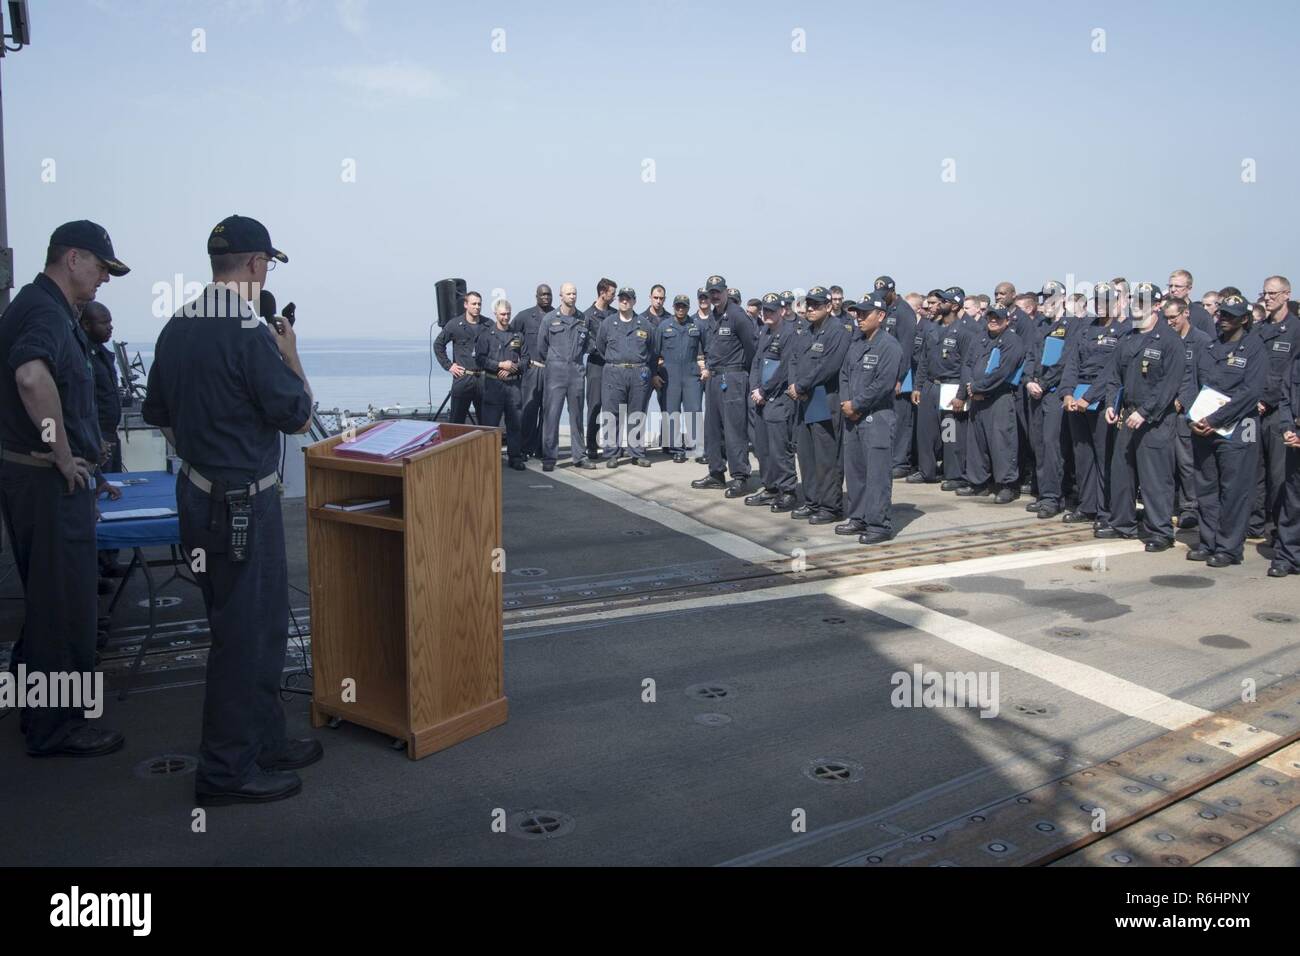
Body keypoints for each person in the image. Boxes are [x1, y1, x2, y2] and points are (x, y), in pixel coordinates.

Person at [142, 214, 318, 804]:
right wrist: (289, 352)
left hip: (198, 497)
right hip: (244, 504)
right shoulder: (249, 333)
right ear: (255, 265)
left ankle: (263, 741)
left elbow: (158, 413)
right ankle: (225, 771)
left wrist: (202, 459)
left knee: (250, 628)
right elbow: (296, 412)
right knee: (247, 636)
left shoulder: (177, 327)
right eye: (266, 262)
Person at [0, 220, 127, 757]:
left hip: (43, 478)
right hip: (44, 479)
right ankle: (56, 728)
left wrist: (86, 470)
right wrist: (59, 453)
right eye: (101, 267)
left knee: (52, 600)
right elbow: (31, 377)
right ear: (72, 259)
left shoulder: (45, 308)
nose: (104, 279)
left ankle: (32, 703)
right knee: (64, 606)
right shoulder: (43, 310)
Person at [1095, 283, 1185, 551]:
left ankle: (1160, 531)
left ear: (1157, 305)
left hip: (1154, 420)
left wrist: (1144, 412)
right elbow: (1113, 377)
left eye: (1144, 301)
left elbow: (1168, 385)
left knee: (1154, 477)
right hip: (1127, 414)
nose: (1138, 305)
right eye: (1135, 300)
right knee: (1122, 472)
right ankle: (1122, 523)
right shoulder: (1127, 338)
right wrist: (1112, 404)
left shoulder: (1169, 341)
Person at [1187, 294, 1266, 567]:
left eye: (1230, 316)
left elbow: (1251, 392)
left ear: (1244, 319)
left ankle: (1229, 547)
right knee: (1207, 488)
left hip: (1239, 427)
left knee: (1235, 490)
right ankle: (1208, 542)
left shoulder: (1255, 348)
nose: (1222, 320)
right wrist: (1195, 418)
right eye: (1221, 314)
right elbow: (1196, 385)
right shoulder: (1209, 347)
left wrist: (1215, 419)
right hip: (1204, 428)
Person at [1059, 282, 1129, 527]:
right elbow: (1071, 364)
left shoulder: (1124, 330)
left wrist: (1088, 397)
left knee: (1104, 456)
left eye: (1106, 301)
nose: (1101, 306)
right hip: (1077, 398)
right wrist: (1067, 393)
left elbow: (1113, 371)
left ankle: (1105, 510)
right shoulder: (1085, 330)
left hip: (1101, 400)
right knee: (1083, 454)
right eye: (1097, 301)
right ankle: (1087, 505)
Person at [840, 292, 904, 543]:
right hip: (852, 416)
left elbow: (883, 384)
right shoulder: (856, 343)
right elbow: (844, 374)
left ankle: (879, 524)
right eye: (858, 313)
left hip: (876, 417)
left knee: (877, 474)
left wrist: (856, 404)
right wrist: (846, 402)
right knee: (855, 471)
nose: (859, 318)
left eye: (865, 314)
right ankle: (858, 517)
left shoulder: (889, 346)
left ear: (881, 316)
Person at [787, 286, 849, 522]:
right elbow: (793, 359)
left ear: (828, 306)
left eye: (816, 305)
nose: (810, 309)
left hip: (825, 398)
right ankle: (812, 501)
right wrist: (794, 385)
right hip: (803, 400)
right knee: (806, 454)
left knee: (826, 456)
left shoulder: (837, 332)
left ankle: (830, 506)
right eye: (808, 304)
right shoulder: (806, 331)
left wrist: (801, 386)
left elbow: (829, 366)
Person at [691, 275, 756, 496]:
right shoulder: (712, 317)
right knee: (712, 429)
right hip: (714, 378)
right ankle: (716, 472)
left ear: (726, 291)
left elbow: (752, 350)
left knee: (734, 430)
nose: (715, 295)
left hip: (734, 378)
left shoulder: (738, 316)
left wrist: (739, 373)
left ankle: (739, 476)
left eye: (718, 291)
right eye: (711, 293)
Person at [957, 306, 1025, 502]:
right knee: (977, 443)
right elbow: (967, 364)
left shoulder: (1013, 341)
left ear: (1007, 320)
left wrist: (978, 388)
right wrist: (970, 387)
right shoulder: (980, 337)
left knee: (1002, 442)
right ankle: (979, 483)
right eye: (990, 317)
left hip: (999, 397)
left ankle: (1007, 485)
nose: (993, 320)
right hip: (976, 398)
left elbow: (1003, 371)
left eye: (998, 318)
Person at [1249, 276, 1299, 545]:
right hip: (1253, 411)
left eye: (1273, 293)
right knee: (1255, 470)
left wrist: (1266, 399)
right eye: (1265, 293)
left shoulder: (1295, 330)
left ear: (1286, 295)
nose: (1267, 298)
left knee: (1279, 474)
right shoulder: (1258, 330)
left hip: (1279, 411)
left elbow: (1289, 376)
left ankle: (1281, 529)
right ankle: (1255, 523)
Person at [911, 287, 972, 487]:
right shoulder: (932, 328)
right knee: (926, 433)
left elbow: (966, 367)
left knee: (950, 434)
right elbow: (924, 360)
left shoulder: (963, 332)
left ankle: (953, 475)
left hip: (951, 386)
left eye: (944, 301)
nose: (937, 304)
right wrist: (918, 386)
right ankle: (926, 471)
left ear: (954, 306)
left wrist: (961, 394)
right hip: (930, 385)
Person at [1021, 282, 1073, 517]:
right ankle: (1045, 493)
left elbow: (1064, 362)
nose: (1047, 304)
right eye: (1044, 299)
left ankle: (1054, 497)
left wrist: (1043, 384)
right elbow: (1031, 355)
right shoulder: (1040, 325)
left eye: (1052, 299)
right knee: (1038, 445)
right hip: (1035, 392)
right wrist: (1029, 380)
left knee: (1052, 446)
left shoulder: (1070, 325)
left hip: (1053, 393)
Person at [1163, 296, 1213, 531]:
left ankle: (1189, 507)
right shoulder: (1165, 340)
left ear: (1185, 314)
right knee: (1167, 461)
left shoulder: (1202, 341)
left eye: (1173, 317)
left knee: (1186, 463)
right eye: (1166, 318)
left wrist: (1184, 401)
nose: (1170, 322)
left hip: (1188, 412)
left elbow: (1203, 380)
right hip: (1165, 409)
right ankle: (1169, 506)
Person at [595, 288, 657, 467]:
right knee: (612, 413)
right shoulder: (608, 323)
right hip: (614, 371)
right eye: (622, 299)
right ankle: (611, 453)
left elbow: (652, 350)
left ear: (634, 301)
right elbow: (600, 346)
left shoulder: (644, 324)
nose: (624, 302)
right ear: (617, 301)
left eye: (628, 299)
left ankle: (636, 453)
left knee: (636, 413)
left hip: (638, 373)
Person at [746, 293, 797, 510]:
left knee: (779, 448)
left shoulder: (789, 333)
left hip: (778, 399)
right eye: (764, 310)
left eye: (771, 310)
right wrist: (755, 388)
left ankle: (788, 490)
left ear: (782, 311)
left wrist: (764, 391)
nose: (767, 314)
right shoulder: (764, 331)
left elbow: (785, 369)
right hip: (761, 398)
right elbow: (756, 363)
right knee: (762, 447)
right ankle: (770, 487)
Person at [538, 283, 596, 472]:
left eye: (575, 293)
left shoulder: (583, 319)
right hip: (555, 371)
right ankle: (549, 457)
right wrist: (555, 360)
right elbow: (541, 347)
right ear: (561, 296)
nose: (572, 296)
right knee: (551, 415)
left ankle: (579, 456)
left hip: (576, 371)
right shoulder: (549, 319)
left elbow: (588, 344)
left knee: (577, 416)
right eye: (569, 293)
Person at [874, 276, 919, 479]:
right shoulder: (885, 310)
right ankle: (890, 457)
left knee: (901, 419)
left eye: (885, 295)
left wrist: (900, 377)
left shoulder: (904, 311)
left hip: (902, 373)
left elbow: (906, 348)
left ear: (893, 291)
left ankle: (900, 461)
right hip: (885, 372)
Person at [654, 295, 705, 463]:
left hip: (691, 373)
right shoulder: (664, 326)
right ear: (674, 306)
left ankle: (696, 448)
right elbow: (654, 353)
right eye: (678, 306)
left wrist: (706, 368)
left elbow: (707, 349)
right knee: (671, 411)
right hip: (670, 374)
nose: (680, 309)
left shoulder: (696, 326)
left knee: (694, 410)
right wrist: (655, 374)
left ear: (688, 307)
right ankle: (676, 449)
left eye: (683, 306)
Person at [481, 298, 526, 470]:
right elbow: (480, 359)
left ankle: (515, 457)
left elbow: (527, 359)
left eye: (508, 314)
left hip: (513, 386)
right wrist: (500, 365)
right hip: (494, 386)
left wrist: (512, 368)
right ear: (495, 314)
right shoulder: (487, 335)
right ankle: (490, 459)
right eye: (502, 314)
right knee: (491, 426)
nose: (506, 317)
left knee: (515, 424)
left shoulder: (518, 336)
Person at [510, 284, 553, 459]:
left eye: (549, 294)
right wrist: (518, 361)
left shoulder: (556, 315)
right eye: (542, 294)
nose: (546, 297)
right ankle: (526, 448)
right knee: (529, 411)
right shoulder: (525, 316)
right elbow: (511, 336)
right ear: (536, 296)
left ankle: (542, 449)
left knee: (548, 412)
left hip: (552, 370)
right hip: (532, 369)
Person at [434, 290, 490, 423]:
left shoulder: (488, 324)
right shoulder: (454, 324)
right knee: (457, 420)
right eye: (474, 304)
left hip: (483, 379)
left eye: (479, 304)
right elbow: (438, 345)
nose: (477, 307)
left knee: (486, 421)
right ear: (466, 305)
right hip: (463, 377)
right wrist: (449, 366)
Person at [1268, 346, 1300, 576]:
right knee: (1293, 503)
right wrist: (1288, 428)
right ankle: (1288, 557)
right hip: (1295, 440)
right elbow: (1286, 398)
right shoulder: (1296, 361)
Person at [584, 278, 617, 460]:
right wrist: (606, 353)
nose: (614, 297)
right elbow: (587, 343)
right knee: (595, 406)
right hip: (596, 366)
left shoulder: (615, 314)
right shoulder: (587, 315)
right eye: (612, 293)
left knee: (612, 408)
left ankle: (611, 446)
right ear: (602, 293)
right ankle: (591, 445)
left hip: (613, 367)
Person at [1169, 269, 1215, 337]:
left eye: (1178, 286)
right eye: (1170, 286)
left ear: (1189, 289)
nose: (1172, 290)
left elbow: (1210, 342)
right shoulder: (1162, 314)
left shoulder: (1201, 315)